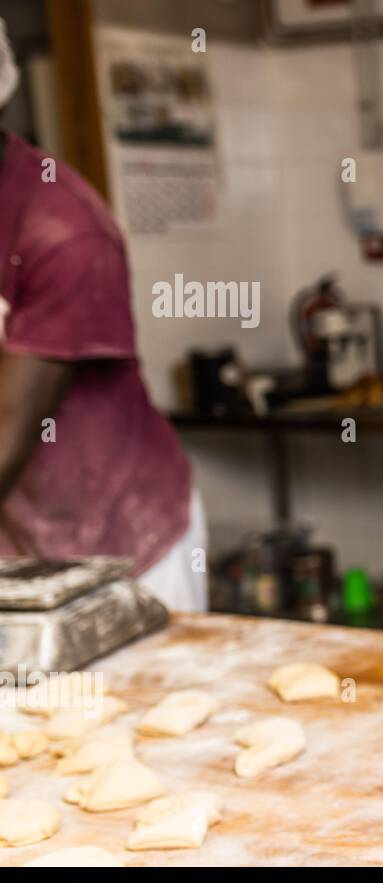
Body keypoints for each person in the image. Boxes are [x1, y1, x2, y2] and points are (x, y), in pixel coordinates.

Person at [0, 19, 206, 612]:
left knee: (130, 705)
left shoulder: (64, 231)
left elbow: (8, 433)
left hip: (124, 548)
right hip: (19, 544)